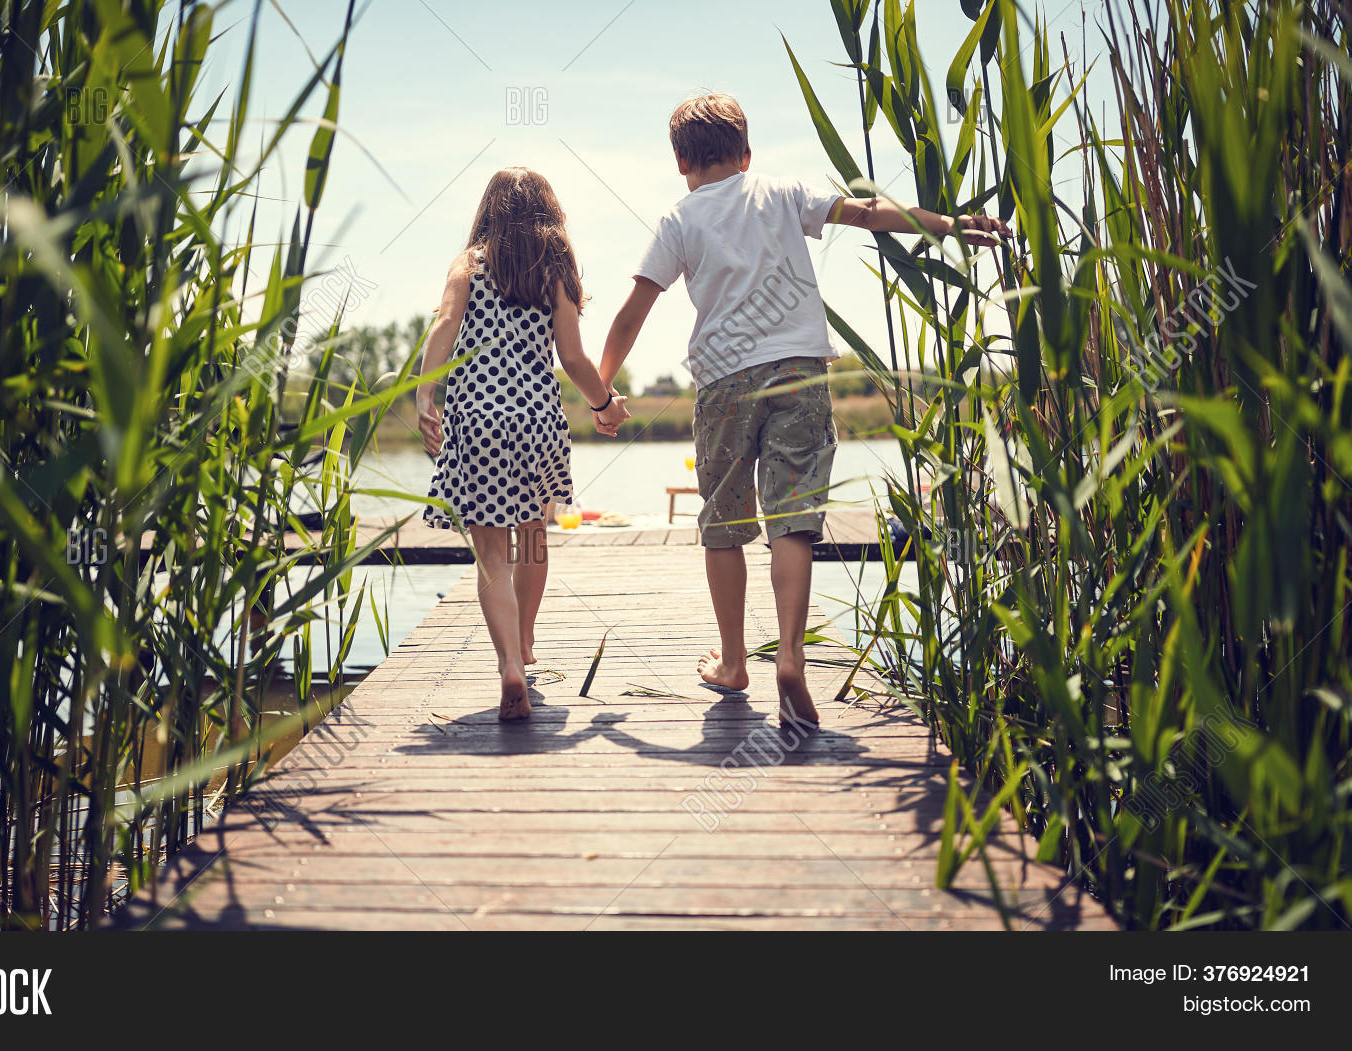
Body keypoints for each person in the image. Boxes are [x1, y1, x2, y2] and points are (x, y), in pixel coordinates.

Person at [597, 93, 1009, 728]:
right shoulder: (783, 190)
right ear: (748, 153)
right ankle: (790, 656)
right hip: (799, 372)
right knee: (793, 518)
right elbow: (869, 214)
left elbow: (633, 311)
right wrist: (950, 223)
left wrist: (602, 392)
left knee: (725, 523)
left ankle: (734, 662)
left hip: (724, 384)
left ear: (680, 160)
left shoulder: (678, 219)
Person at [417, 167, 630, 721]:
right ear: (546, 211)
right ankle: (528, 643)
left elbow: (444, 324)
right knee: (534, 536)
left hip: (478, 417)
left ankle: (509, 660)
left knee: (491, 553)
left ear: (488, 211)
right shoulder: (555, 266)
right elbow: (574, 359)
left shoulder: (468, 264)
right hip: (536, 417)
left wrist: (424, 398)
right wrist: (604, 405)